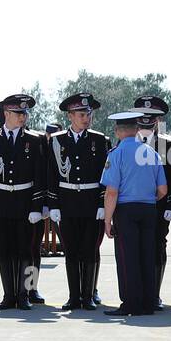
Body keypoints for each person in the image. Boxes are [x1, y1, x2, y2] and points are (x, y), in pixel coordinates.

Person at [47, 92, 110, 311]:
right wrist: (53, 204)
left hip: (91, 202)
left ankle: (88, 295)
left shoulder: (100, 140)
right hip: (67, 202)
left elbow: (106, 176)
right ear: (70, 116)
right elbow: (51, 174)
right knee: (71, 251)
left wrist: (103, 204)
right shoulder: (56, 141)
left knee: (90, 250)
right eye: (82, 114)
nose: (86, 118)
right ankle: (74, 296)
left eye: (88, 113)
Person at [101, 111, 167, 317]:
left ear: (117, 131)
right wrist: (147, 198)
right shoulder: (151, 153)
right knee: (147, 255)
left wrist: (107, 220)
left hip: (126, 210)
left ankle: (131, 303)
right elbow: (163, 189)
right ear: (137, 130)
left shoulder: (116, 154)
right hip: (148, 209)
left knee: (127, 258)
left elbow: (111, 191)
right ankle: (148, 302)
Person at [0, 94, 46, 310]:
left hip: (25, 202)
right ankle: (9, 294)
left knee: (27, 251)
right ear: (6, 114)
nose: (23, 117)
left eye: (25, 113)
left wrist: (38, 206)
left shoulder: (34, 140)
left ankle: (26, 292)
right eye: (19, 113)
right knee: (5, 250)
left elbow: (40, 175)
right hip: (1, 201)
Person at [133, 96, 171, 310]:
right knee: (135, 250)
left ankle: (154, 294)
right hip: (132, 207)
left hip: (160, 208)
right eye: (142, 118)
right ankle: (138, 293)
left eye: (150, 118)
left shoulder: (170, 145)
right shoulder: (126, 143)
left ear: (158, 121)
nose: (146, 122)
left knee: (158, 247)